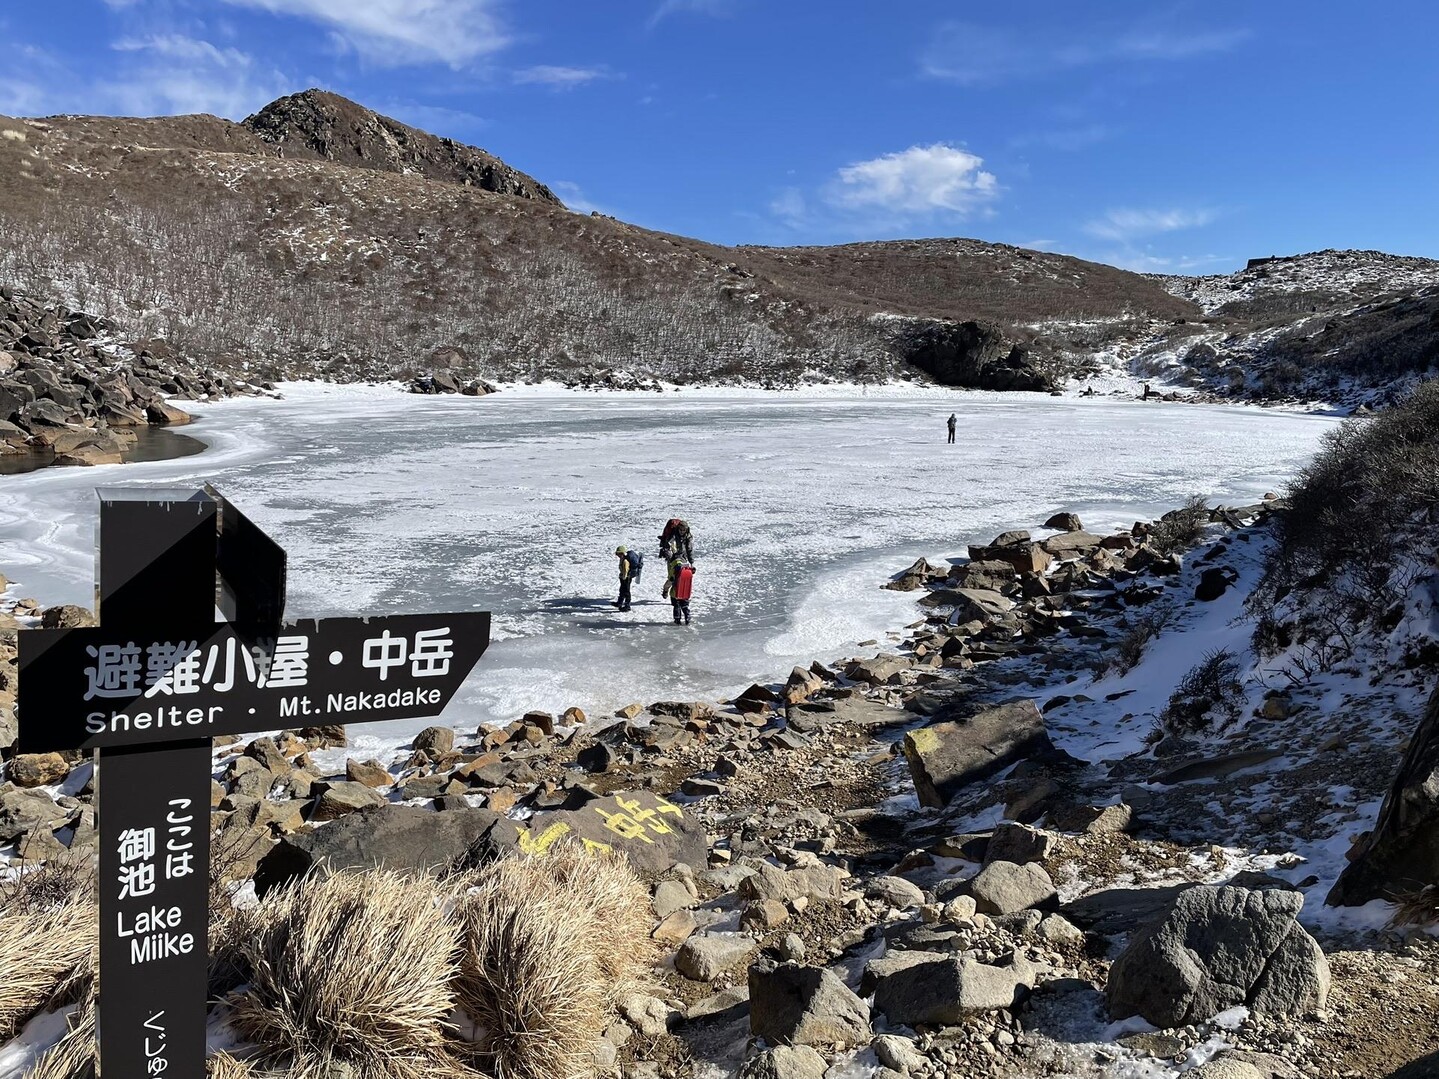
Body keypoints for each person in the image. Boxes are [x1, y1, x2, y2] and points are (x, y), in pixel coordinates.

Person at [670, 558, 695, 625]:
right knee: (684, 605)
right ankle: (687, 616)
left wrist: (665, 590)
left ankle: (677, 619)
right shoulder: (686, 568)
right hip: (686, 591)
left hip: (676, 592)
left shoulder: (673, 568)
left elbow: (670, 579)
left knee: (676, 606)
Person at [614, 546, 633, 611]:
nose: (618, 555)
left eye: (619, 554)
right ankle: (619, 603)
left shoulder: (625, 561)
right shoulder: (622, 559)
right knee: (622, 590)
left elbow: (626, 570)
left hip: (626, 578)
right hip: (623, 578)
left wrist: (624, 577)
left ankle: (627, 606)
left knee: (626, 591)